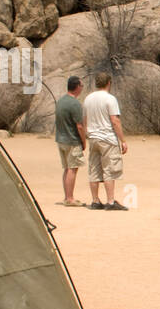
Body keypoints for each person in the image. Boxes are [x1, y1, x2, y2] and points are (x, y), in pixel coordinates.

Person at [83, 72, 129, 210]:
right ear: (109, 83)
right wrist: (123, 140)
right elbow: (115, 120)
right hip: (107, 138)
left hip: (94, 138)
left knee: (94, 169)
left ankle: (95, 200)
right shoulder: (110, 99)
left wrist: (88, 134)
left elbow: (84, 119)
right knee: (110, 169)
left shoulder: (88, 99)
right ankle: (110, 201)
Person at [54, 76, 88, 206]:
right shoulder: (75, 104)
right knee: (72, 169)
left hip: (61, 139)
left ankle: (66, 196)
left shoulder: (61, 101)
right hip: (72, 141)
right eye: (82, 86)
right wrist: (83, 141)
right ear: (77, 87)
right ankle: (70, 198)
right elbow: (79, 126)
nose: (82, 88)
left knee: (67, 168)